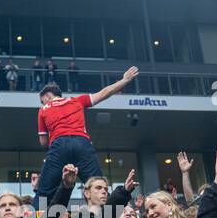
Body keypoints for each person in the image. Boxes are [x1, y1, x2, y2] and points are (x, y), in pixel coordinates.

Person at [32, 66, 138, 200]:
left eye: (43, 100)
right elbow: (105, 92)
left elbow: (43, 142)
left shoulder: (43, 110)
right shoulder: (77, 100)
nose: (43, 103)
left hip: (58, 145)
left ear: (48, 95)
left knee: (44, 192)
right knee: (99, 186)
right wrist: (124, 80)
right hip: (83, 143)